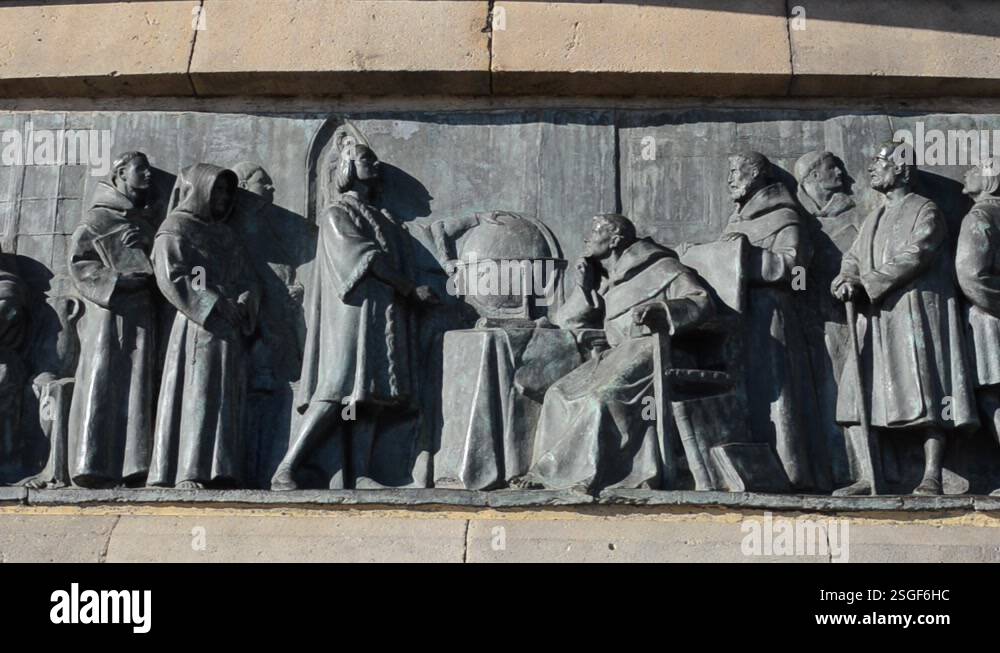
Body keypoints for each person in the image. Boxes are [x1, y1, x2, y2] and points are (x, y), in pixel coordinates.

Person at [271, 126, 439, 490]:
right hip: (351, 315)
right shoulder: (337, 214)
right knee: (335, 388)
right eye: (366, 159)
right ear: (347, 166)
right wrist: (410, 289)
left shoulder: (382, 217)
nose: (374, 165)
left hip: (382, 314)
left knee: (368, 395)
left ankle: (357, 471)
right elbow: (365, 257)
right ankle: (287, 466)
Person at [515, 213, 713, 492]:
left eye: (594, 233)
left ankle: (589, 475)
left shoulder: (663, 268)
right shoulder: (609, 278)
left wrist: (662, 310)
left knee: (600, 400)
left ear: (615, 239)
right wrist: (584, 289)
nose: (587, 238)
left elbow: (701, 302)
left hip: (651, 349)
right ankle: (547, 472)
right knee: (556, 394)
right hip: (615, 354)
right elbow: (567, 322)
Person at [832, 141, 977, 495]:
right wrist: (844, 279)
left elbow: (919, 252)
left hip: (914, 314)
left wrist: (869, 283)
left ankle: (932, 475)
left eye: (879, 162)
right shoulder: (873, 217)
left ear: (902, 169)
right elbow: (852, 257)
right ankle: (869, 476)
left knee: (928, 391)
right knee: (859, 394)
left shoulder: (926, 210)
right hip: (873, 318)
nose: (871, 168)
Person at [147, 164, 259, 489]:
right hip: (199, 327)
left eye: (227, 191)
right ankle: (189, 470)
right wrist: (214, 302)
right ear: (198, 189)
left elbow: (247, 277)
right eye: (217, 190)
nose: (223, 197)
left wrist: (244, 300)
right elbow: (173, 275)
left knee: (226, 395)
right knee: (198, 392)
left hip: (230, 329)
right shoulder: (176, 228)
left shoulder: (225, 234)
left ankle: (222, 469)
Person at [720, 152, 819, 490]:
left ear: (757, 173)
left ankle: (790, 472)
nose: (730, 179)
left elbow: (798, 272)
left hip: (770, 315)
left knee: (777, 394)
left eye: (736, 171)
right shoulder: (735, 220)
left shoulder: (785, 216)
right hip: (737, 319)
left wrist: (748, 257)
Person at [67, 151, 156, 488]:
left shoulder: (145, 223)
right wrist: (116, 282)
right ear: (120, 174)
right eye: (140, 169)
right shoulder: (97, 220)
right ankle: (92, 462)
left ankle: (135, 463)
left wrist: (148, 247)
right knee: (102, 380)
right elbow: (80, 264)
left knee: (138, 382)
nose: (147, 175)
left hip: (142, 312)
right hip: (109, 313)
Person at [955, 156, 1000, 495]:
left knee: (994, 399)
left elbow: (971, 274)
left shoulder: (980, 216)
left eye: (974, 169)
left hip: (989, 319)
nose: (966, 173)